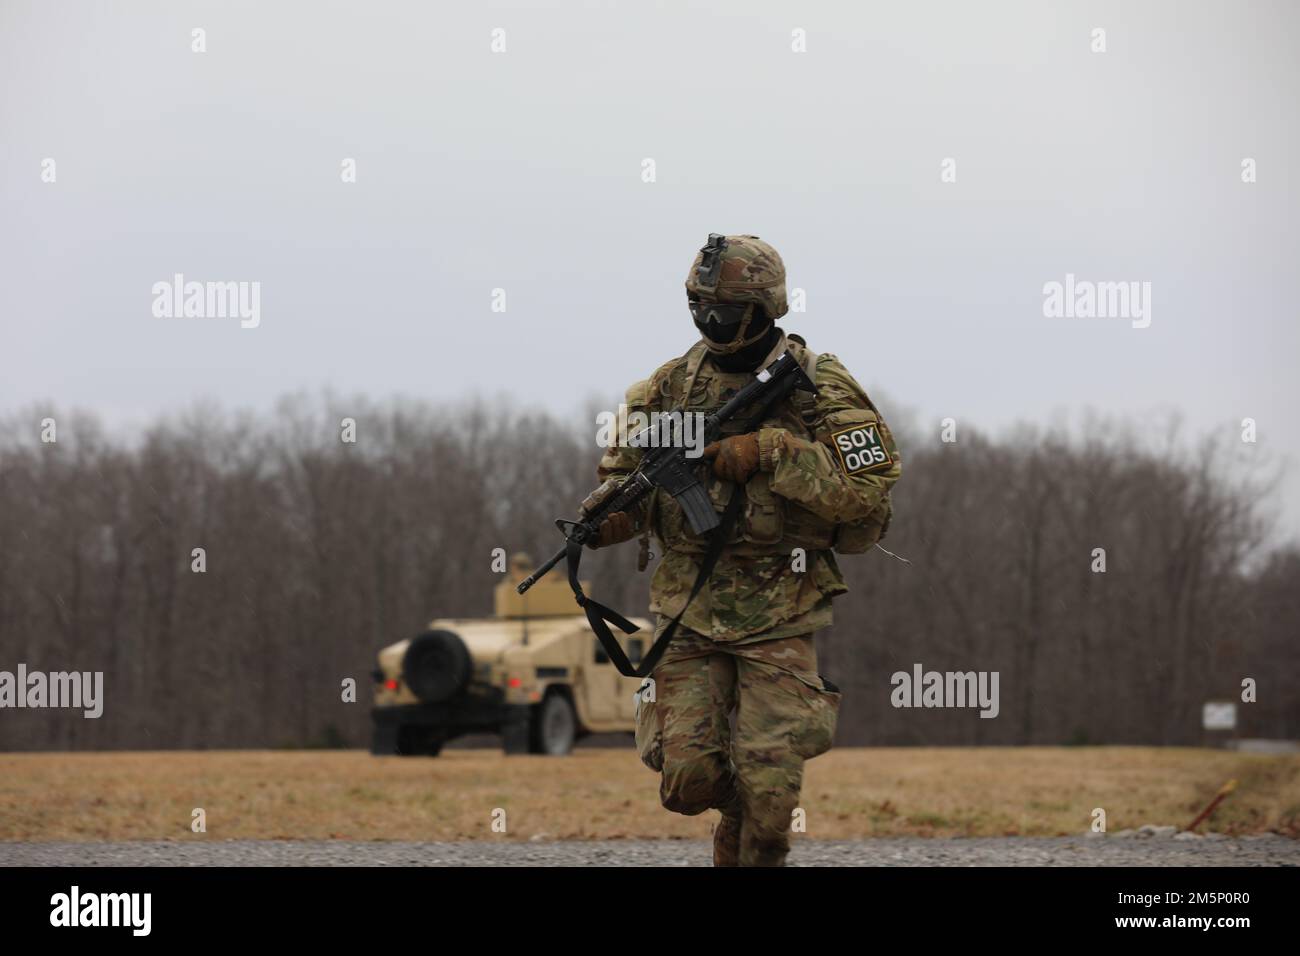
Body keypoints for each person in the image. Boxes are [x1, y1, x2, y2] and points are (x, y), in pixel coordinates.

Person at [589, 233, 902, 866]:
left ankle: (755, 813)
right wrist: (602, 522)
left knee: (770, 806)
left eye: (725, 313)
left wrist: (770, 452)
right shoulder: (663, 390)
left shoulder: (819, 386)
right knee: (686, 782)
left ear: (764, 309)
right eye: (699, 310)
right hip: (688, 612)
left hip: (781, 610)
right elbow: (625, 488)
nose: (710, 323)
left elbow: (868, 494)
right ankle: (736, 803)